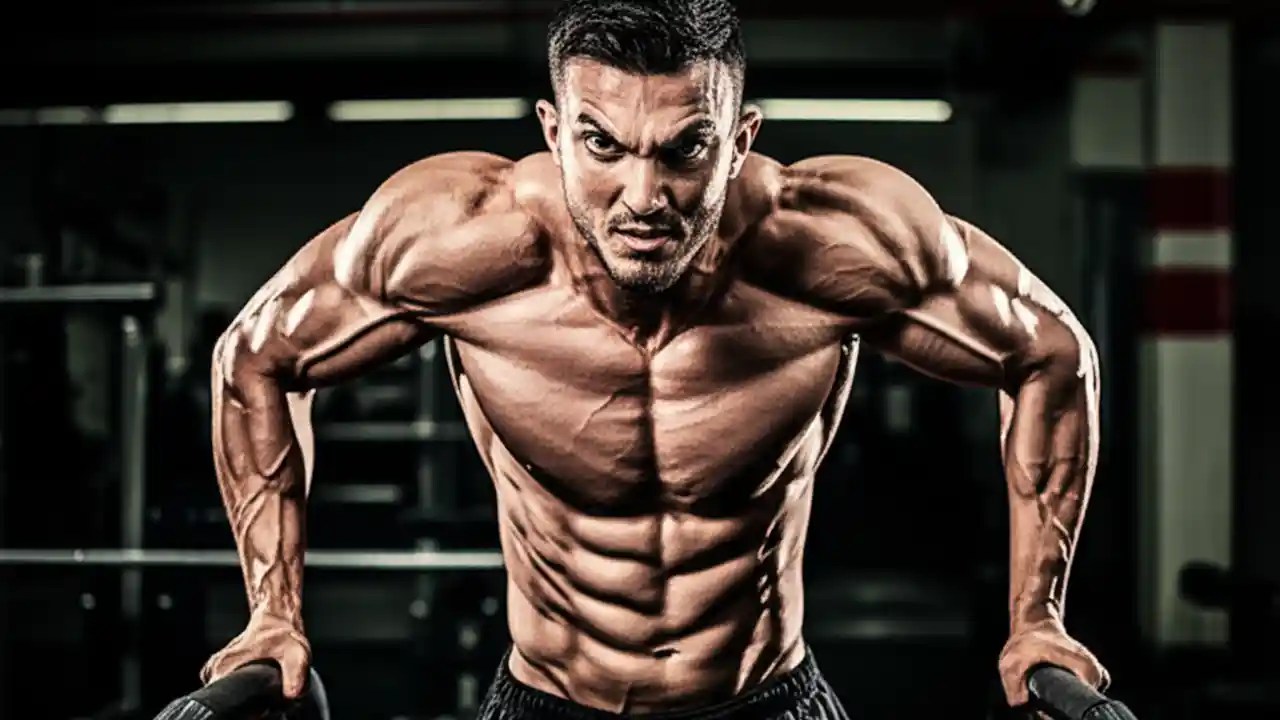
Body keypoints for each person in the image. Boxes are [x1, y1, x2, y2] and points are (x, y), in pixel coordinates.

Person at [199, 1, 1109, 717]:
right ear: (553, 131)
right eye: (603, 144)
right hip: (546, 699)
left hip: (769, 698)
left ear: (740, 138)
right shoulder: (460, 244)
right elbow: (256, 357)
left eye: (686, 149)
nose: (645, 196)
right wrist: (271, 615)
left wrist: (1037, 619)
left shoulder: (831, 245)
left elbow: (1051, 353)